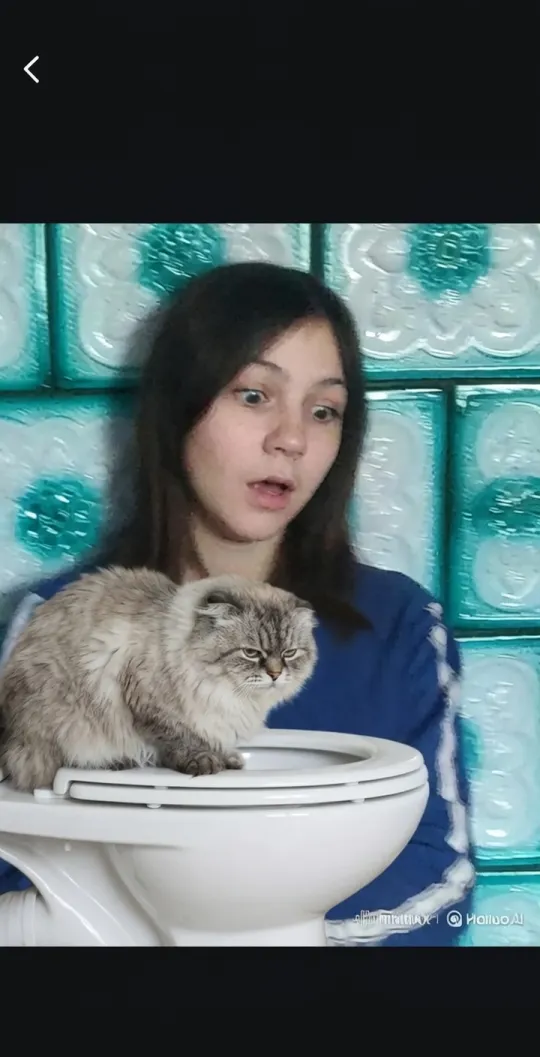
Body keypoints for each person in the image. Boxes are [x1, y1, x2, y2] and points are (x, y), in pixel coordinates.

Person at [0, 261, 475, 943]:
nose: (292, 438)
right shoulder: (53, 623)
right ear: (178, 407)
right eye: (254, 395)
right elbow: (13, 869)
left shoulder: (399, 628)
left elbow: (442, 885)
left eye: (324, 410)